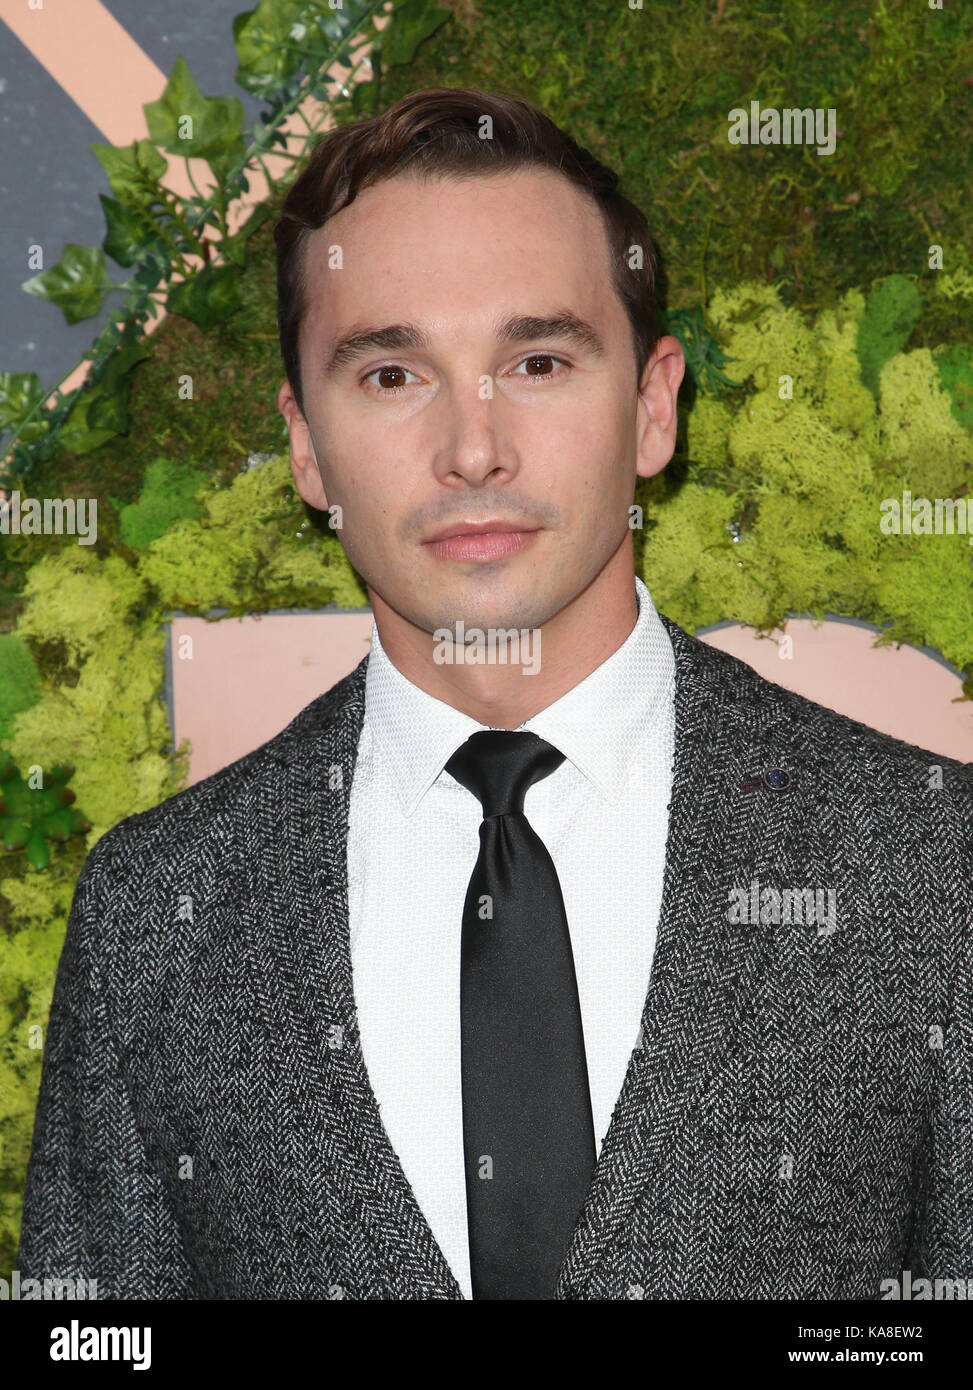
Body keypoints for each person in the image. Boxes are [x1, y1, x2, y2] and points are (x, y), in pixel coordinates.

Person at [18, 87, 973, 1301]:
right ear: (305, 445)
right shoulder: (158, 913)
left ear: (651, 404)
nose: (474, 449)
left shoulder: (933, 865)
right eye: (391, 375)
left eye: (535, 360)